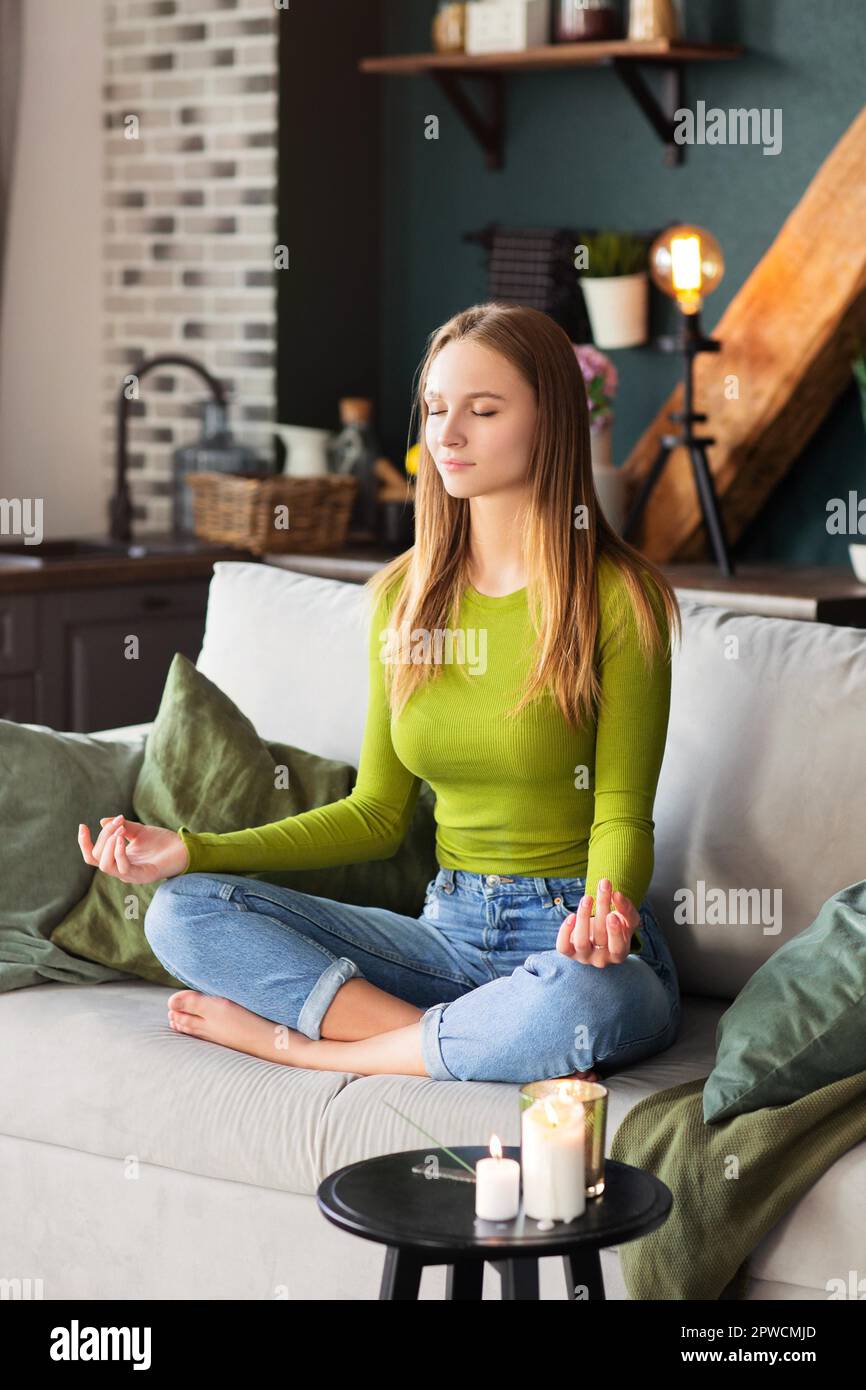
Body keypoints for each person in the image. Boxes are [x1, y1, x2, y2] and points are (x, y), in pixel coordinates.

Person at [78, 302, 683, 1085]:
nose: (447, 435)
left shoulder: (621, 600)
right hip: (446, 935)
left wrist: (607, 907)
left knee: (581, 1005)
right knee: (184, 913)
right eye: (435, 410)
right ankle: (468, 1043)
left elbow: (623, 812)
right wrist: (192, 848)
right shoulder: (405, 599)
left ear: (552, 421)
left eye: (484, 410)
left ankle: (314, 1048)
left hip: (571, 944)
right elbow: (376, 815)